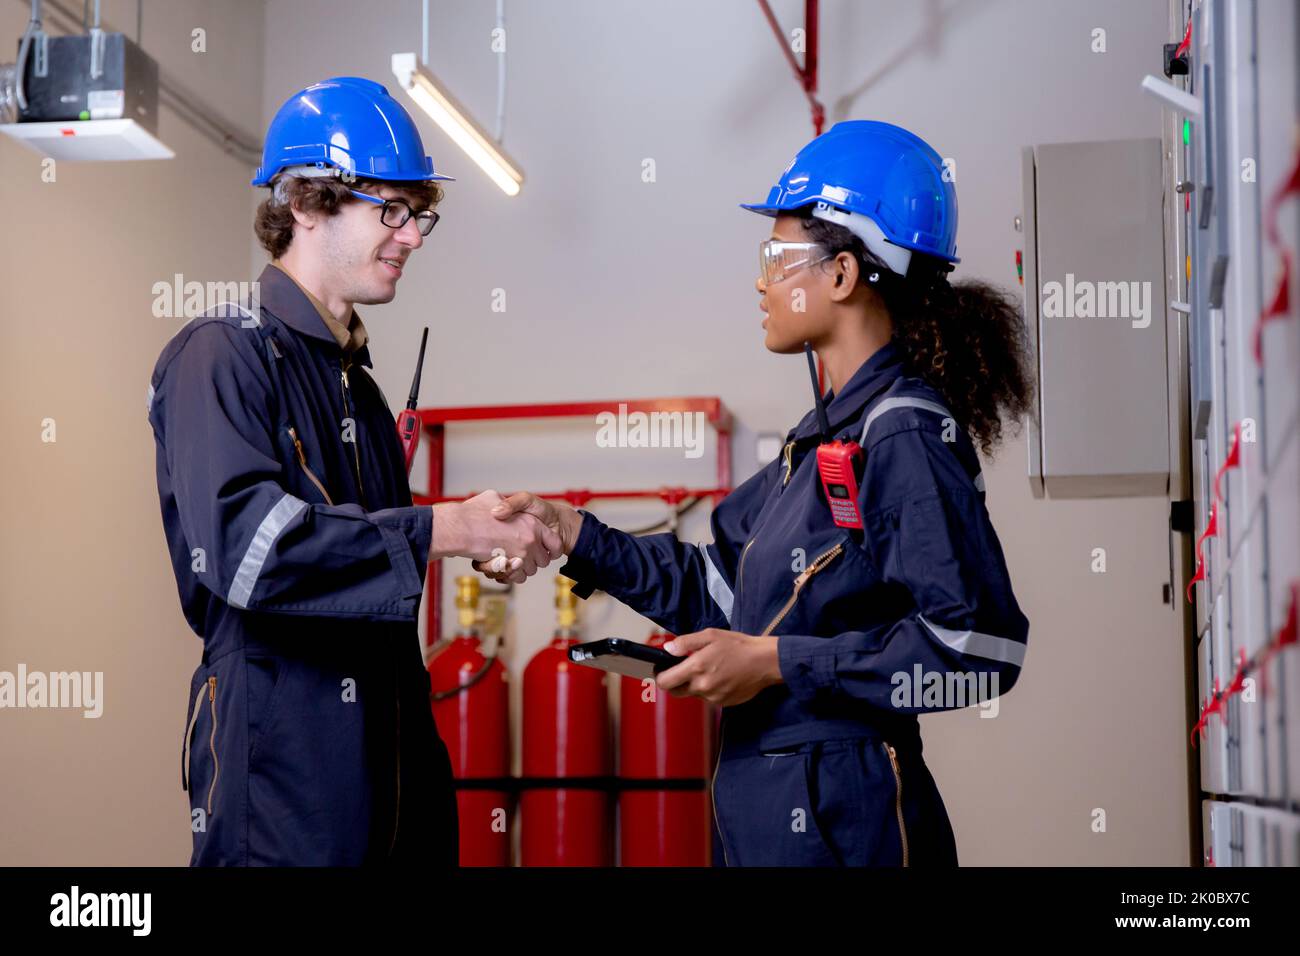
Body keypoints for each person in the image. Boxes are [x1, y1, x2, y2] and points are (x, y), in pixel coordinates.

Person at [477, 120, 1033, 866]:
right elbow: (721, 588)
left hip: (847, 820)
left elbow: (978, 648)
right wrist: (577, 532)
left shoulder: (899, 436)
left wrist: (778, 664)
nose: (760, 279)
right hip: (771, 813)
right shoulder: (820, 442)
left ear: (840, 275)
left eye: (777, 256)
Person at [146, 77, 561, 866]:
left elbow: (368, 555)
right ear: (306, 203)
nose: (412, 237)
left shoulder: (358, 387)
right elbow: (246, 550)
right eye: (392, 211)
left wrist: (468, 540)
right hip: (284, 777)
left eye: (419, 215)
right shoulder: (221, 353)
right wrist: (440, 527)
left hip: (393, 764)